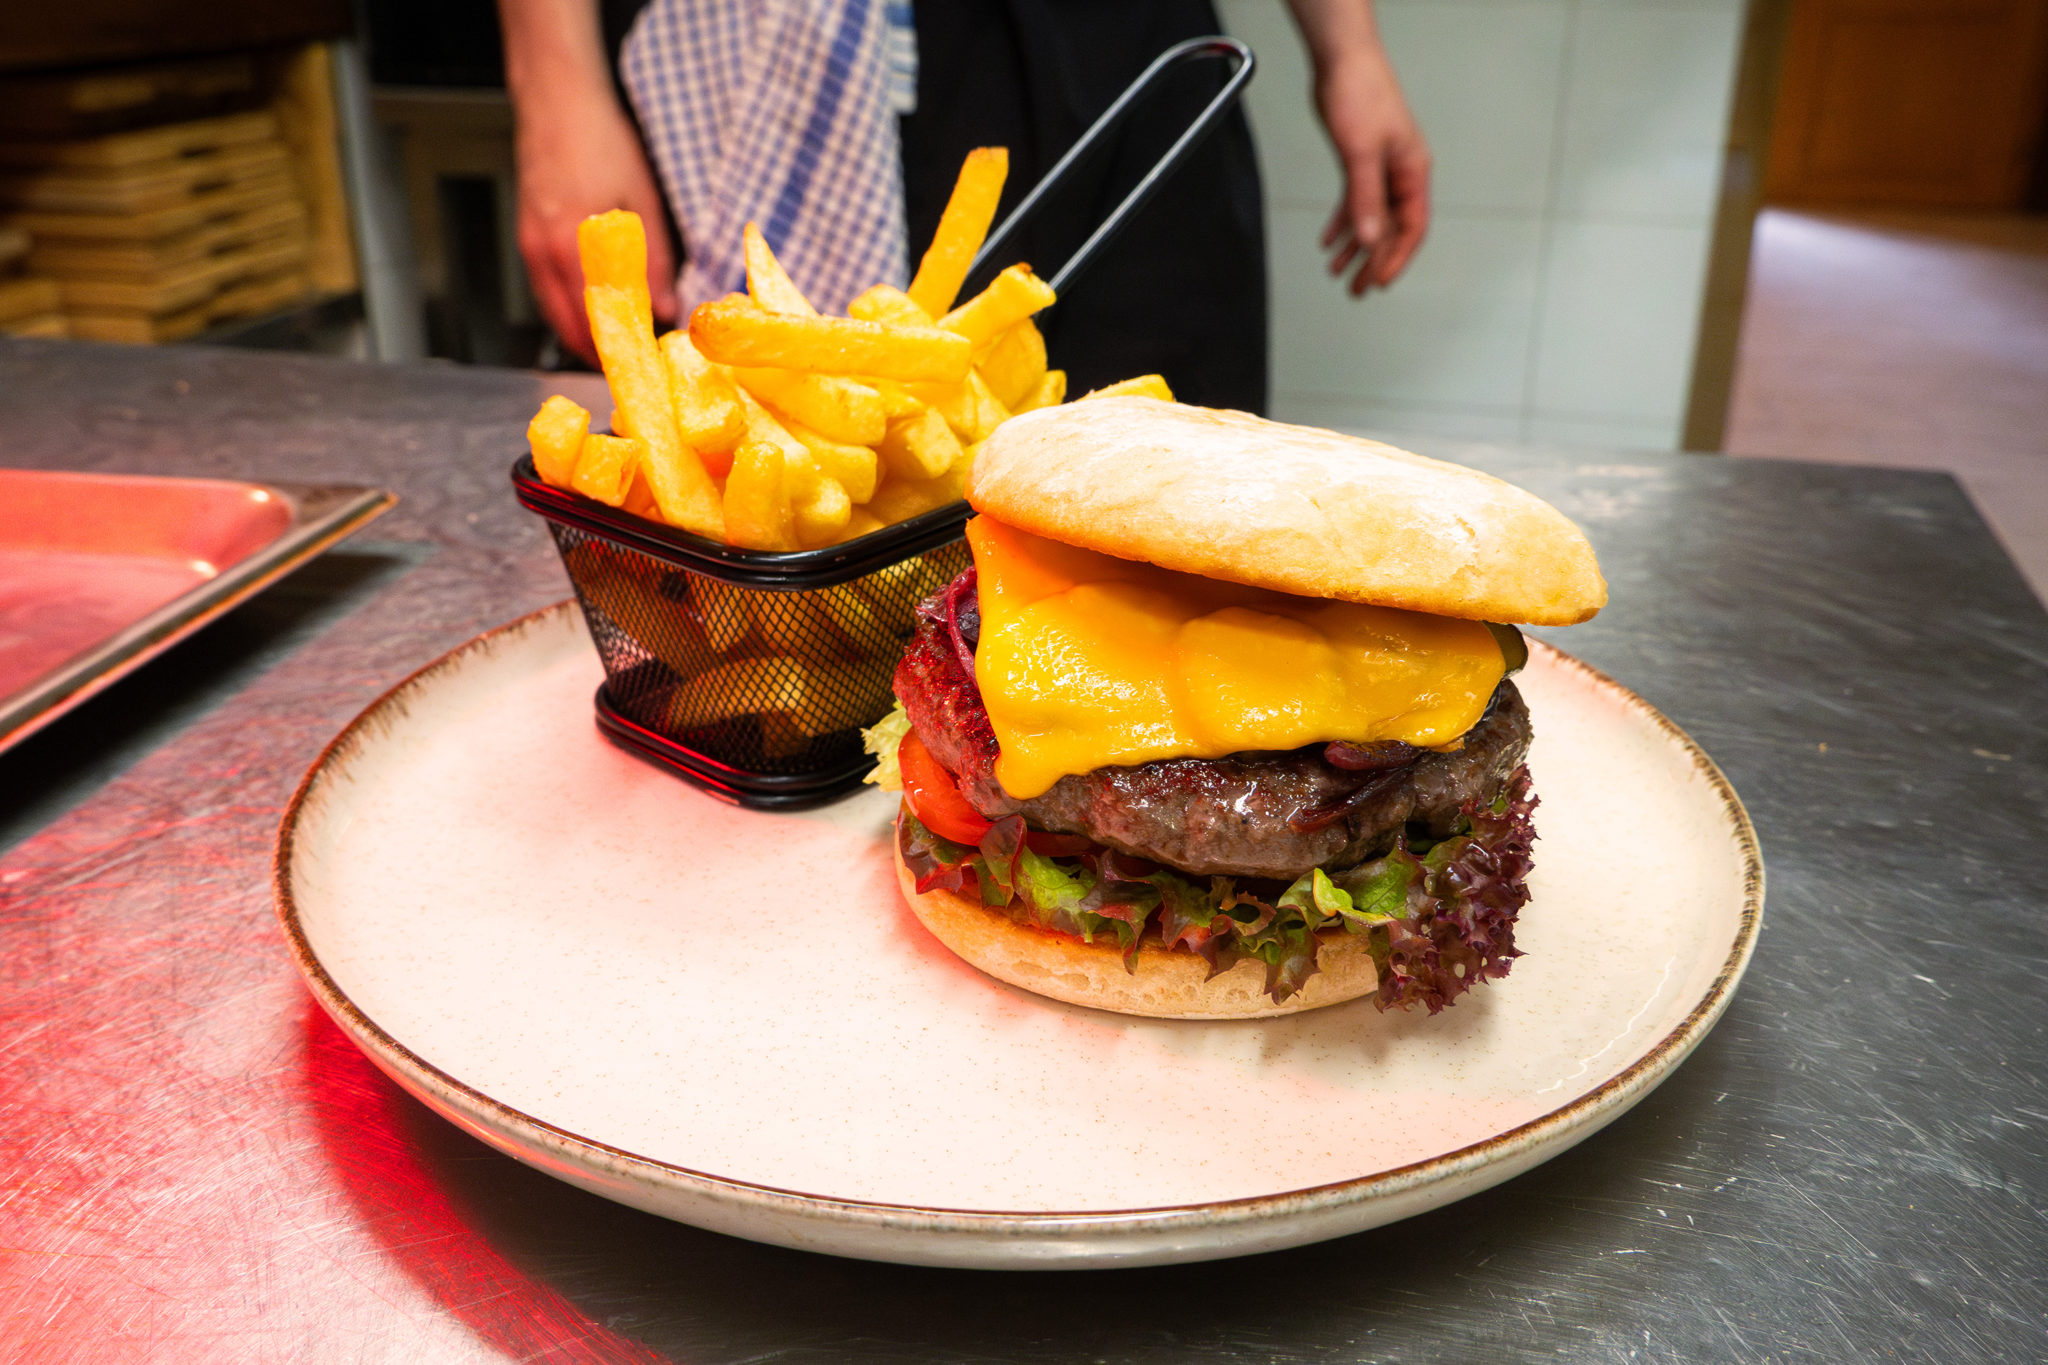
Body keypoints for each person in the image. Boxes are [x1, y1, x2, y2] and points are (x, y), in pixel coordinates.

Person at [498, 0, 1428, 415]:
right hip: (737, 62)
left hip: (1119, 45)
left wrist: (1352, 48)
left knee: (1171, 495)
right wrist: (555, 87)